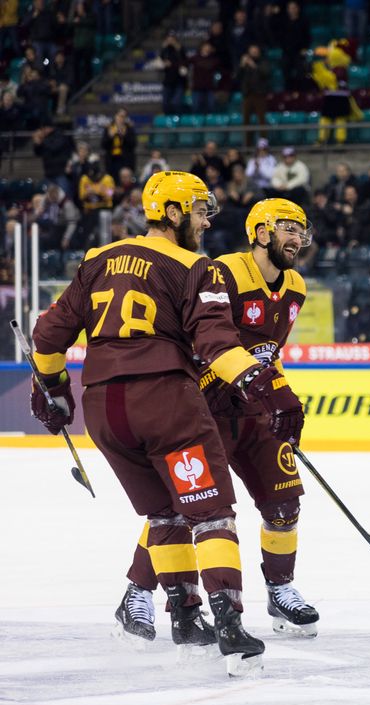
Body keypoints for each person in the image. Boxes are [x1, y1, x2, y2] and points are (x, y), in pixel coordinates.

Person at [29, 171, 305, 676]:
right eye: (199, 211)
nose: (205, 222)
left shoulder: (97, 259)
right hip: (164, 400)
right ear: (173, 213)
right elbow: (217, 345)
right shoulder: (195, 266)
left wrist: (50, 390)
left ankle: (184, 617)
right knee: (213, 513)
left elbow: (46, 336)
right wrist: (263, 388)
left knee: (165, 516)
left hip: (102, 408)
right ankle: (228, 623)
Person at [115, 198, 320, 642]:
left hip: (252, 408)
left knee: (284, 505)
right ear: (261, 233)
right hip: (202, 409)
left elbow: (268, 352)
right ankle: (137, 592)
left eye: (301, 229)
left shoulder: (296, 287)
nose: (297, 236)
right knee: (182, 509)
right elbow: (201, 339)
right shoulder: (221, 272)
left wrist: (280, 396)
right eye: (287, 227)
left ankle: (280, 588)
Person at [101, 107, 136, 177]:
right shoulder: (109, 128)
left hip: (125, 160)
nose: (121, 118)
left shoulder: (129, 128)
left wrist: (124, 136)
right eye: (119, 116)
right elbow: (103, 145)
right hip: (112, 160)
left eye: (123, 116)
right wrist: (110, 137)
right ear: (115, 116)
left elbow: (134, 144)